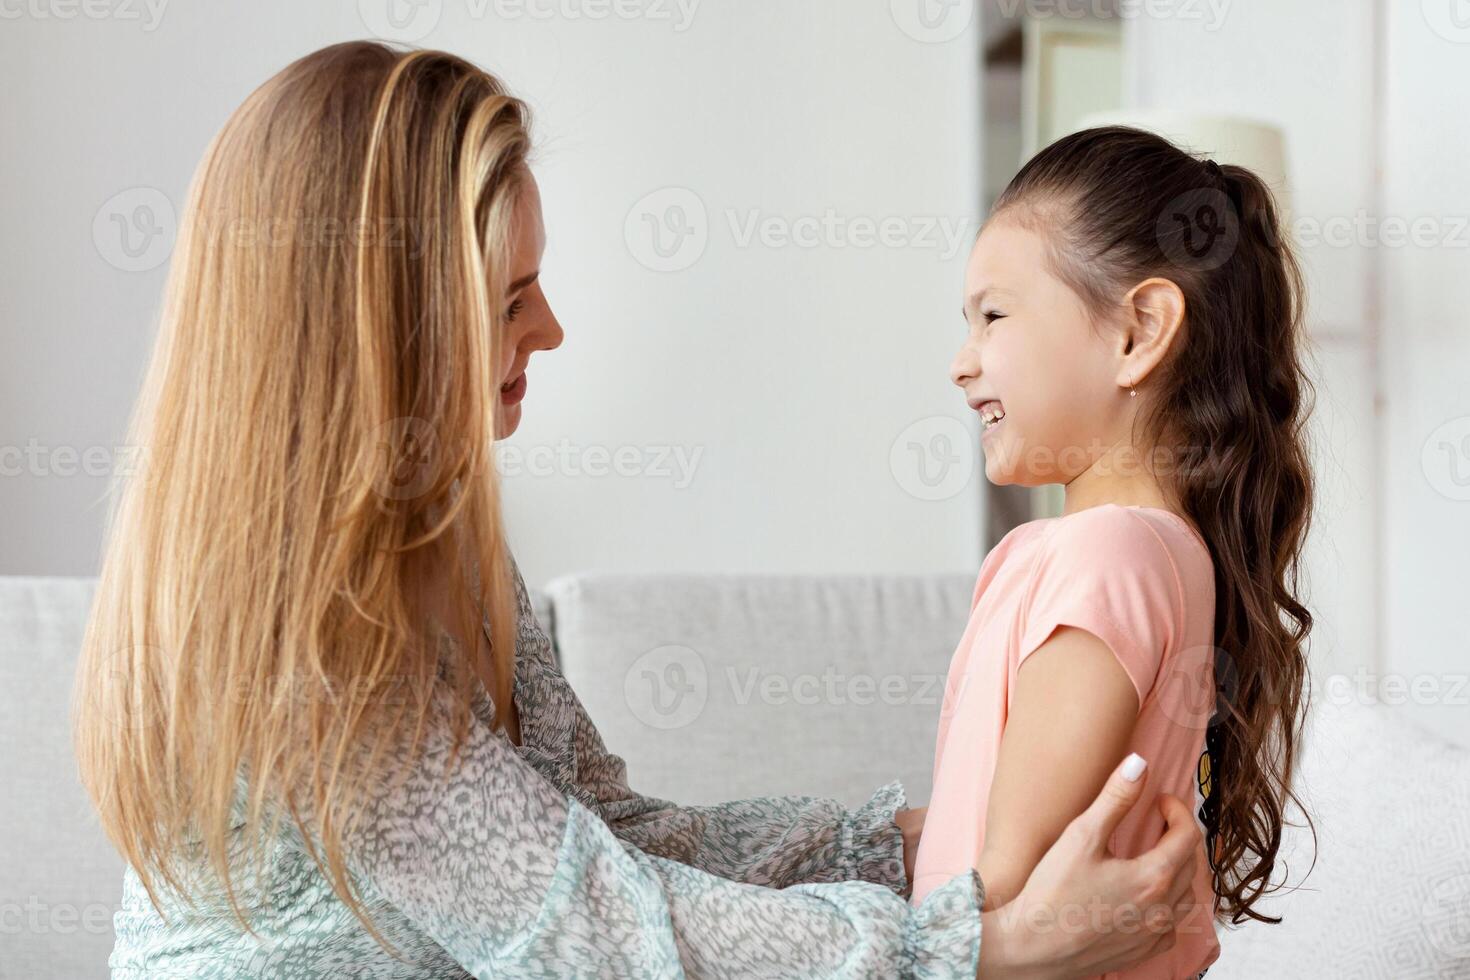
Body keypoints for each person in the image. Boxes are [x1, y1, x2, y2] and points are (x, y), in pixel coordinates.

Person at [74, 43, 1206, 978]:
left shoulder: (444, 554)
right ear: (388, 330)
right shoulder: (305, 640)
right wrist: (979, 950)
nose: (553, 329)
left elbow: (612, 835)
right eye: (512, 298)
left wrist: (890, 844)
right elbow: (588, 927)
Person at [912, 127, 1319, 979]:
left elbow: (1001, 898)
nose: (961, 363)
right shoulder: (1158, 556)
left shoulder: (1106, 553)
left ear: (1139, 330)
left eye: (993, 315)